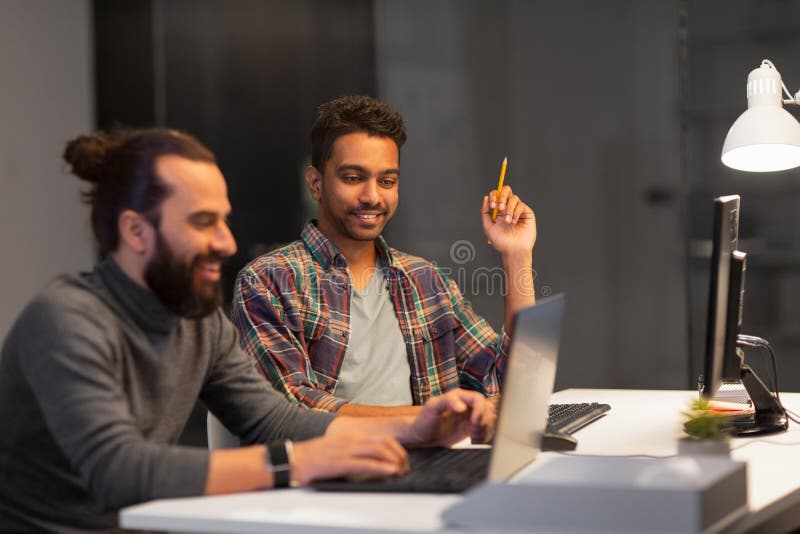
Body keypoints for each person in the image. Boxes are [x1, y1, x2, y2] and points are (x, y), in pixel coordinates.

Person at [0, 128, 491, 532]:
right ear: (135, 231)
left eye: (225, 221)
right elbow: (120, 472)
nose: (226, 242)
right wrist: (301, 462)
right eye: (202, 222)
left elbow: (270, 419)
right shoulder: (65, 319)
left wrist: (412, 426)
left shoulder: (197, 322)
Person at [232, 95, 536, 417]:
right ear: (316, 183)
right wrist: (431, 420)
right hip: (338, 464)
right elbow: (294, 410)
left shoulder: (424, 280)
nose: (372, 196)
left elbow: (507, 386)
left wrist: (516, 255)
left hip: (433, 461)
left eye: (387, 181)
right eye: (353, 178)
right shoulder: (268, 281)